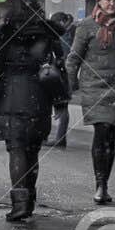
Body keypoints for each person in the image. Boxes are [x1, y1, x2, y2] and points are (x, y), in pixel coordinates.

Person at [0, 0, 66, 223]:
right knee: (32, 150)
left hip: (11, 97)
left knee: (16, 149)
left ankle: (19, 203)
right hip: (40, 97)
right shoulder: (48, 33)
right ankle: (29, 199)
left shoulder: (6, 33)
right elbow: (60, 67)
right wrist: (60, 99)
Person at [65, 0, 115, 205]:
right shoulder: (86, 26)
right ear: (99, 2)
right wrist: (68, 87)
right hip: (94, 86)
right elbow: (74, 58)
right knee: (101, 131)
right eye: (107, 0)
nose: (112, 4)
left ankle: (104, 183)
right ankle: (100, 184)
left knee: (111, 136)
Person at [46, 12, 76, 148]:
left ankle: (59, 138)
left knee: (60, 106)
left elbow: (61, 57)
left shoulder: (62, 36)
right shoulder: (69, 34)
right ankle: (60, 137)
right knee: (61, 106)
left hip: (59, 75)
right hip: (63, 74)